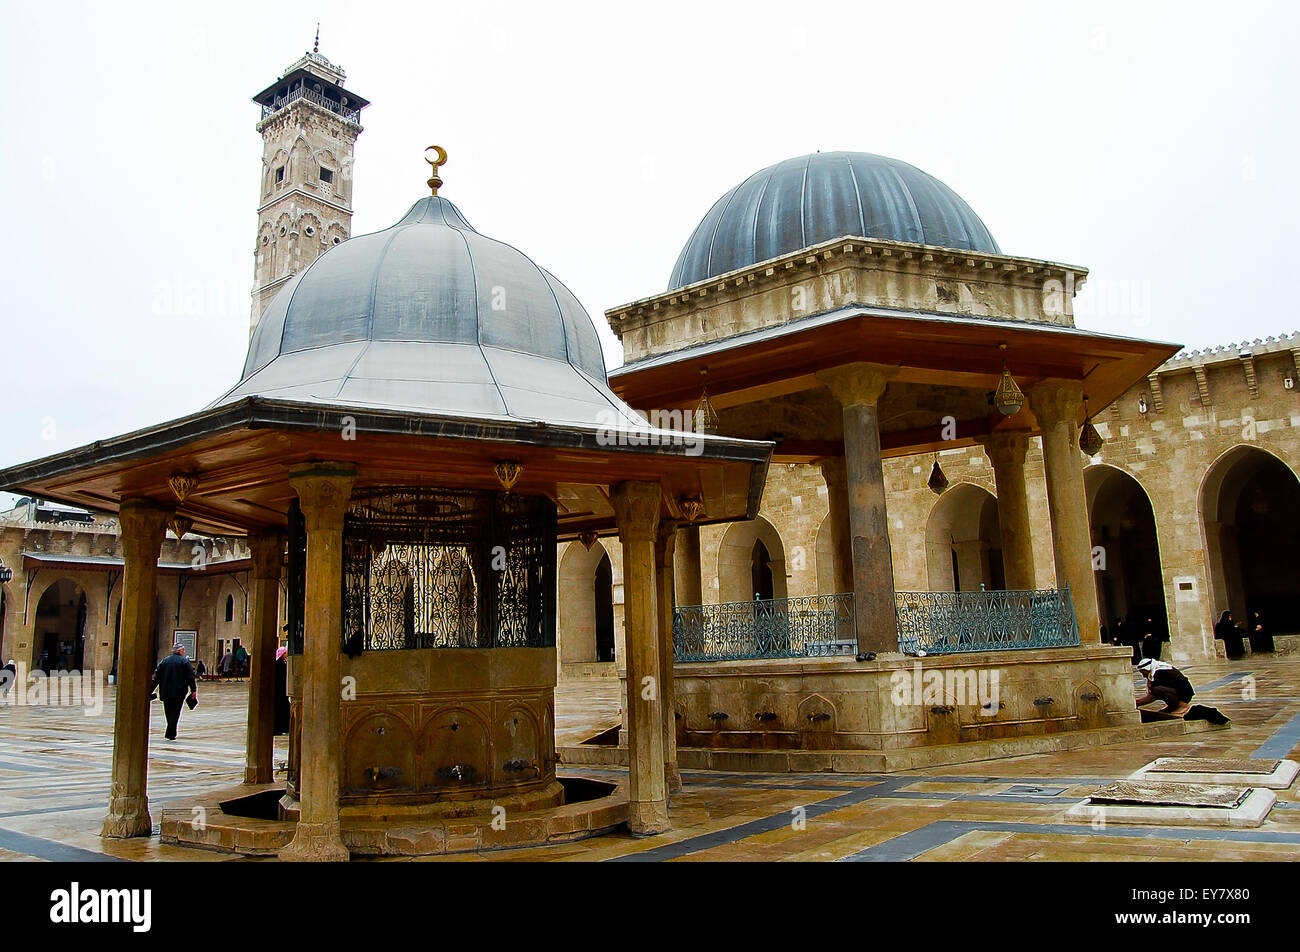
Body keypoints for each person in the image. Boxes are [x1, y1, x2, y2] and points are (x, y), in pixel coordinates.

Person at [151, 644, 197, 741]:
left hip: (165, 691)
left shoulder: (164, 661)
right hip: (179, 692)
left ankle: (171, 731)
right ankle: (171, 732)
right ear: (180, 651)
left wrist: (150, 690)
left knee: (168, 712)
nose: (184, 652)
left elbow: (156, 677)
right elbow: (190, 677)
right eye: (183, 650)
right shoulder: (184, 662)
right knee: (175, 712)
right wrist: (193, 690)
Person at [274, 645, 290, 735]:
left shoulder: (283, 663)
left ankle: (284, 728)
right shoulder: (279, 664)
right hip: (279, 691)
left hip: (282, 691)